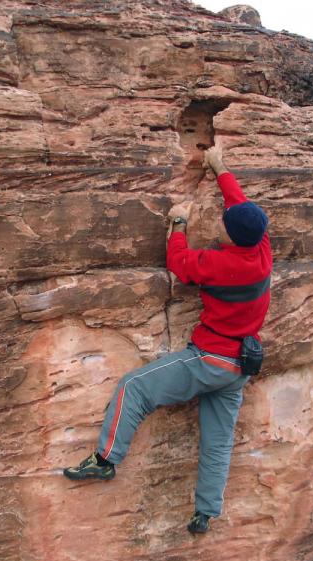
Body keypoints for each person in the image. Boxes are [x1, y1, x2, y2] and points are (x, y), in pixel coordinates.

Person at [63, 146, 273, 534]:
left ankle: (106, 459)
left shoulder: (221, 263)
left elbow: (180, 263)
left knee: (134, 388)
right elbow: (241, 205)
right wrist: (220, 167)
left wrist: (178, 224)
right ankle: (205, 513)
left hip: (210, 360)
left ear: (232, 233)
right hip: (240, 367)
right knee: (217, 441)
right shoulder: (261, 250)